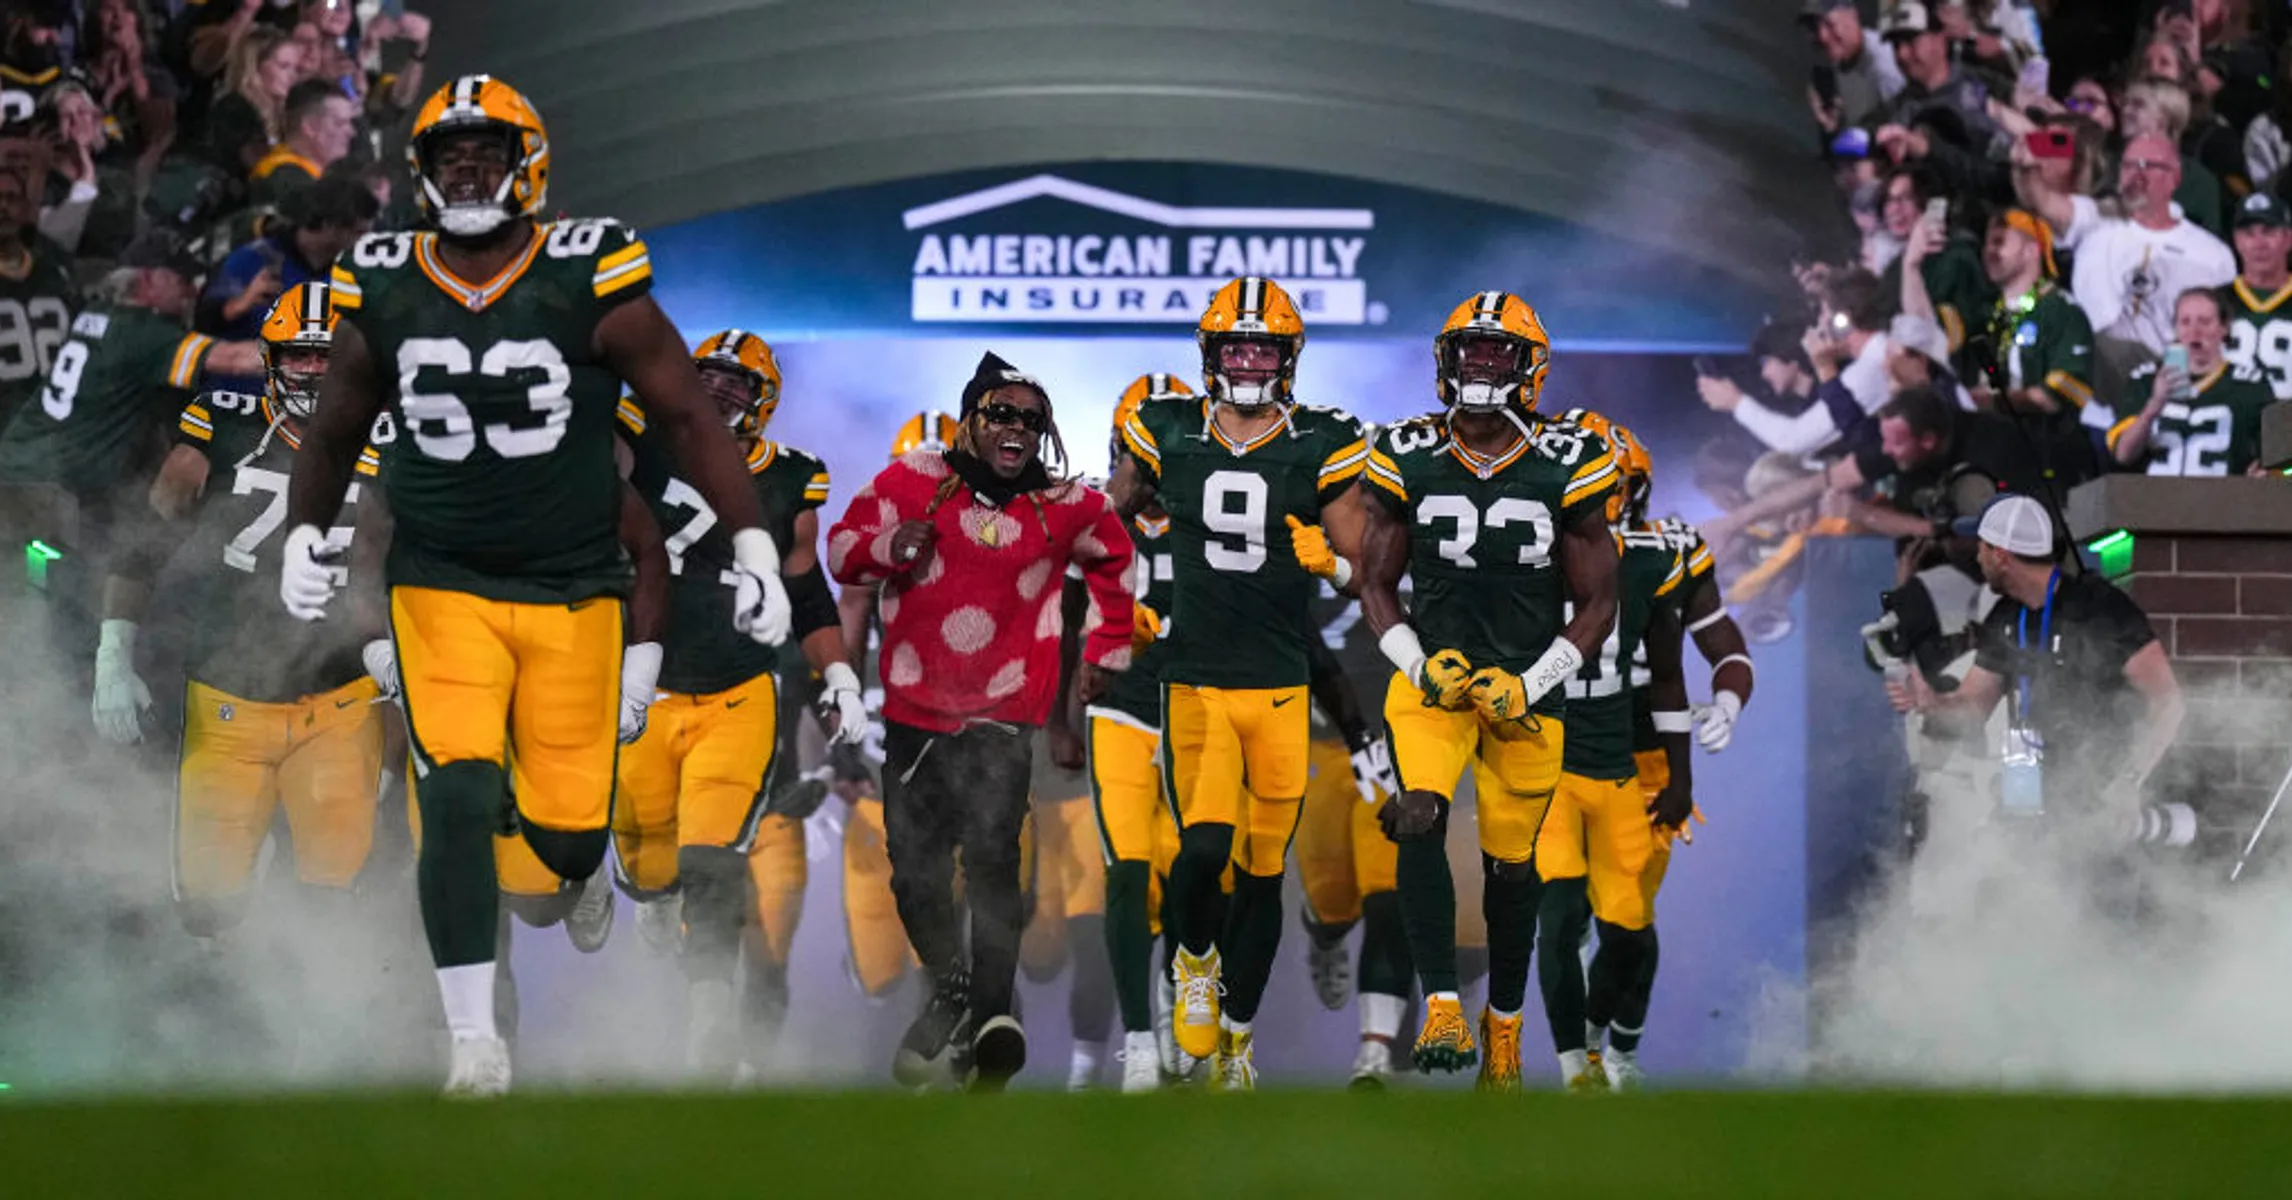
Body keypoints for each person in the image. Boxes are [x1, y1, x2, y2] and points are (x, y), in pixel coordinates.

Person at [281, 75, 793, 1097]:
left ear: (530, 167)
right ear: (422, 172)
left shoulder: (588, 269)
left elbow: (688, 417)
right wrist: (306, 530)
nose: (469, 173)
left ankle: (557, 837)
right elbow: (336, 426)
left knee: (565, 841)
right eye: (451, 156)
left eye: (488, 154)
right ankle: (473, 1040)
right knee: (454, 792)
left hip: (573, 590)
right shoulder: (383, 277)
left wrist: (752, 542)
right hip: (443, 583)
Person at [827, 352, 1133, 1091]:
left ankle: (994, 1014)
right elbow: (840, 551)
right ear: (971, 418)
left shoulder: (1063, 502)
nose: (1016, 428)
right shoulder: (913, 479)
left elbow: (1115, 556)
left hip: (1003, 715)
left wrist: (1109, 644)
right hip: (914, 713)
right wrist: (887, 547)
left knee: (995, 861)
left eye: (1032, 419)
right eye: (1001, 413)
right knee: (915, 878)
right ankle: (952, 992)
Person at [1109, 276, 1371, 1089]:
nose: (1250, 363)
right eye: (1237, 349)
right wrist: (1117, 608)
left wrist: (1334, 564)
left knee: (1263, 875)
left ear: (1288, 358)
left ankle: (1238, 1039)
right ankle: (1194, 962)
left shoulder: (1322, 440)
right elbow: (1103, 527)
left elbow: (1365, 566)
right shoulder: (1168, 429)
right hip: (1198, 680)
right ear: (1211, 355)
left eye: (1264, 350)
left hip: (1282, 685)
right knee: (1202, 851)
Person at [1355, 291, 1619, 1087]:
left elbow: (1599, 604)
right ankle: (1441, 1004)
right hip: (1435, 684)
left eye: (1497, 353)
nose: (1480, 366)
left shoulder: (1569, 459)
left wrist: (1533, 683)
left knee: (1511, 870)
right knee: (1417, 815)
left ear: (1529, 368)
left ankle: (1503, 1027)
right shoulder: (1407, 450)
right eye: (1469, 351)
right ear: (1445, 360)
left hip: (1524, 690)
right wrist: (1416, 664)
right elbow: (1375, 584)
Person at [91, 282, 389, 946]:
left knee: (335, 895)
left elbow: (411, 559)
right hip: (229, 699)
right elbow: (147, 539)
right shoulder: (225, 421)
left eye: (327, 357)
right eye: (299, 356)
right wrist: (113, 653)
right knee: (207, 911)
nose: (312, 371)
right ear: (269, 360)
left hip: (342, 697)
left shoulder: (394, 437)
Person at [611, 330, 866, 1079]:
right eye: (711, 377)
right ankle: (650, 897)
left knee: (713, 860)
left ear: (765, 401)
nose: (721, 392)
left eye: (738, 384)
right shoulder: (639, 434)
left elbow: (807, 591)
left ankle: (710, 1018)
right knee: (647, 869)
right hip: (645, 686)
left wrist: (839, 676)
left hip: (736, 693)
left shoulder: (790, 478)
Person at [1528, 413, 1692, 1093]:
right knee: (1562, 917)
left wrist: (1681, 776)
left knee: (1630, 932)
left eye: (1610, 486)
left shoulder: (1651, 561)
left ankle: (1605, 1045)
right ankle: (1577, 1066)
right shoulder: (1520, 555)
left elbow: (1670, 673)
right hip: (1543, 766)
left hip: (1621, 765)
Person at [1889, 495, 2184, 823]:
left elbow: (2168, 702)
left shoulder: (2099, 607)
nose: (1977, 556)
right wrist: (1933, 703)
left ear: (2001, 556)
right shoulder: (2006, 616)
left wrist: (2129, 783)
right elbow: (1972, 708)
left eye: (1982, 547)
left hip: (2100, 798)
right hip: (2032, 799)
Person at [0, 231, 260, 557]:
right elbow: (235, 359)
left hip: (18, 464)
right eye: (182, 279)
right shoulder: (144, 334)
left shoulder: (97, 312)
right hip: (50, 486)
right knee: (66, 576)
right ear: (148, 279)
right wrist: (305, 348)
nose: (192, 290)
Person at [1077, 373, 1188, 1091]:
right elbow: (1058, 612)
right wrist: (1062, 719)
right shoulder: (1091, 512)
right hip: (1117, 708)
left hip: (1192, 710)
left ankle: (1177, 999)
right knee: (1127, 872)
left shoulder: (1213, 511)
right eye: (1137, 452)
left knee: (1191, 873)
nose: (1148, 468)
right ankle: (1141, 1040)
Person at [1293, 589, 1411, 1090]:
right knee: (1334, 902)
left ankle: (1374, 1050)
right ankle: (1324, 932)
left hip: (1393, 740)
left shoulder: (1416, 546)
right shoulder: (1300, 549)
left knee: (1389, 897)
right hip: (1317, 740)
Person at [2019, 130, 2235, 372]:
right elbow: (2042, 201)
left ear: (2174, 178)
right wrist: (2028, 166)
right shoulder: (2095, 219)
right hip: (2092, 373)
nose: (2136, 174)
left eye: (2148, 166)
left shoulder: (2212, 254)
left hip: (2170, 378)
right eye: (2129, 165)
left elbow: (2223, 334)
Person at [2107, 287, 2278, 476]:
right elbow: (2123, 455)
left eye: (2204, 322)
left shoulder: (2251, 386)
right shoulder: (2144, 380)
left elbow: (2284, 464)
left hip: (2226, 494)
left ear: (2224, 328)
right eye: (2185, 322)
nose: (2194, 332)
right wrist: (2154, 406)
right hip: (2156, 494)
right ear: (2175, 328)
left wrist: (2268, 474)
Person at [1965, 208, 2096, 426]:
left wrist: (1995, 402)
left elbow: (2064, 391)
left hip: (2048, 441)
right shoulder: (1994, 313)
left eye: (2000, 242)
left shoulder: (2060, 311)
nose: (1989, 251)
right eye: (1988, 243)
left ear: (2031, 250)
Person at [0, 166, 78, 433]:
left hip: (55, 425)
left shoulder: (54, 265)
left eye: (12, 198)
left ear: (25, 206)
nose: (3, 207)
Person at [249, 78, 358, 210]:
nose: (351, 133)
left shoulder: (314, 175)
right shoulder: (286, 181)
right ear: (310, 126)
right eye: (340, 123)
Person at [2223, 192, 2292, 401]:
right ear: (2237, 240)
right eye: (2249, 234)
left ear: (2288, 238)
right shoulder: (2213, 301)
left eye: (2269, 232)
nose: (2259, 244)